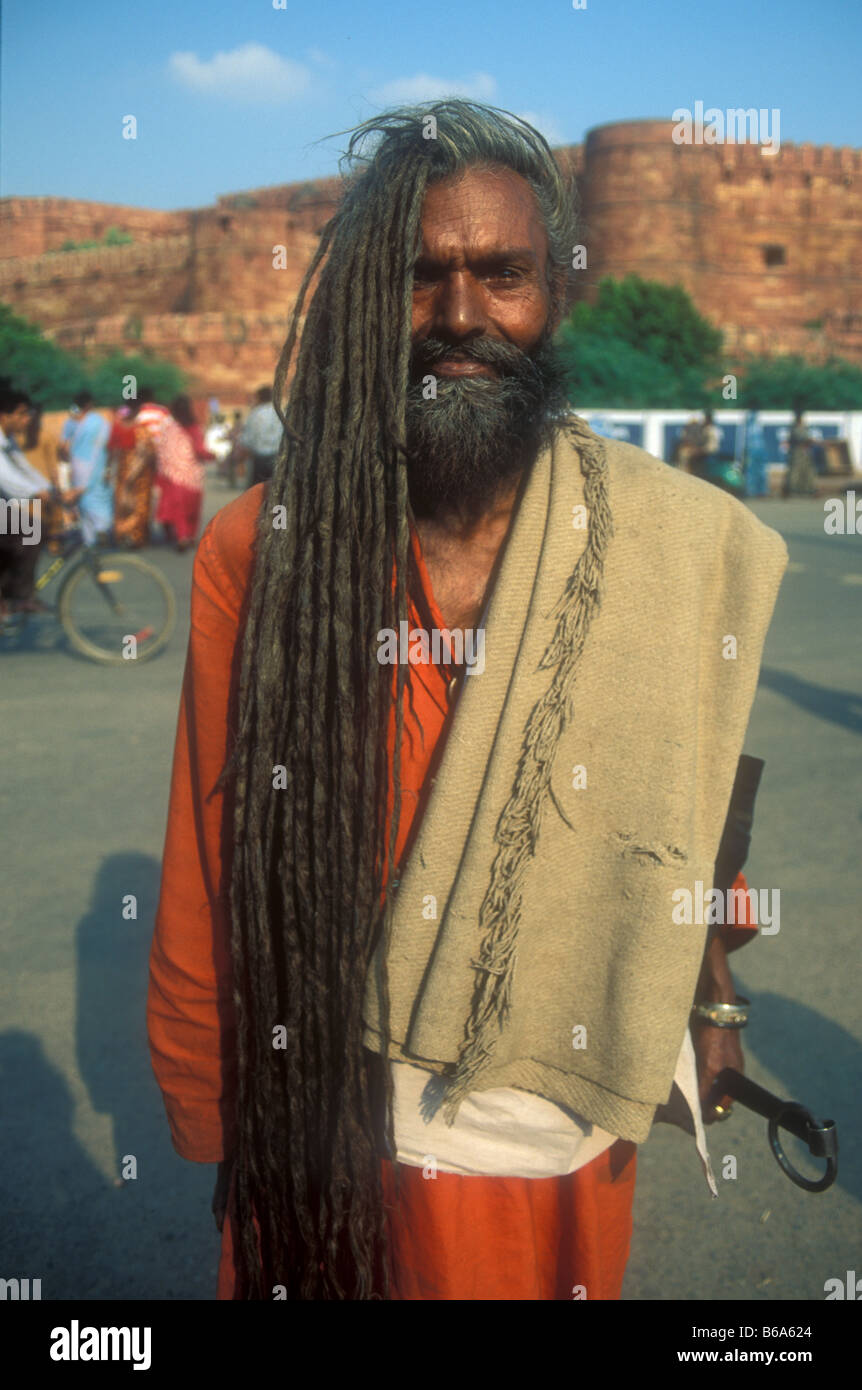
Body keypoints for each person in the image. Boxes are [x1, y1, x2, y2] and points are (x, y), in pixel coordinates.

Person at [148, 100, 788, 1302]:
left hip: (559, 1110)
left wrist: (717, 999)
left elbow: (693, 811)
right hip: (330, 1123)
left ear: (557, 291)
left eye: (502, 275)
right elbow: (207, 852)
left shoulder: (668, 544)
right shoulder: (266, 546)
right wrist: (203, 1092)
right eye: (417, 276)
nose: (457, 317)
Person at [0, 386, 52, 611]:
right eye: (21, 413)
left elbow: (25, 469)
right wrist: (34, 493)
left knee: (22, 534)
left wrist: (52, 490)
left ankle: (6, 593)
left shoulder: (9, 440)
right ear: (4, 415)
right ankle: (19, 596)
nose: (27, 419)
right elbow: (6, 476)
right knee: (31, 529)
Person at [153, 395, 213, 551]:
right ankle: (188, 536)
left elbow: (160, 451)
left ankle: (180, 535)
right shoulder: (194, 429)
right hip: (192, 477)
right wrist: (212, 456)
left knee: (173, 508)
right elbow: (200, 451)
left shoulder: (168, 428)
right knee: (191, 509)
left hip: (171, 476)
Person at [65, 391, 113, 545]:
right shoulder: (100, 422)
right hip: (96, 466)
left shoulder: (74, 422)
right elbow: (108, 446)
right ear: (90, 405)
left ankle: (93, 537)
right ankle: (99, 532)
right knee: (94, 500)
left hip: (81, 467)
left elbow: (65, 446)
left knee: (87, 502)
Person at [108, 402, 157, 549]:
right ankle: (128, 535)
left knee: (137, 506)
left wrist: (132, 474)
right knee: (126, 505)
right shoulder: (123, 430)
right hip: (128, 476)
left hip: (138, 477)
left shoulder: (140, 431)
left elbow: (146, 455)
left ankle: (134, 535)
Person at [238, 385, 283, 487]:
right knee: (275, 491)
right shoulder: (280, 412)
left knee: (258, 493)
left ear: (259, 397)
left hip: (259, 460)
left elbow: (247, 439)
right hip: (277, 458)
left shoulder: (255, 414)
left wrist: (242, 460)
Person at [784, 409, 817, 497]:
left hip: (804, 452)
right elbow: (802, 440)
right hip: (797, 452)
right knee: (795, 472)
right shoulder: (796, 429)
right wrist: (811, 441)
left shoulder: (803, 428)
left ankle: (808, 490)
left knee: (807, 472)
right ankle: (790, 490)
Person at [742, 410, 770, 499]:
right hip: (754, 450)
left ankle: (759, 491)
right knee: (753, 472)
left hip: (756, 451)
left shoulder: (754, 426)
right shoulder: (749, 427)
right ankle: (753, 491)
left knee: (758, 472)